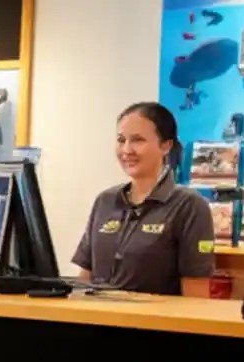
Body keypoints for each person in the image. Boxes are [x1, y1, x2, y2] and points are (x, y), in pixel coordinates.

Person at [72, 101, 215, 296]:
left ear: (166, 146)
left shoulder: (189, 205)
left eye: (137, 140)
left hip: (154, 324)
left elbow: (197, 297)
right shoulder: (105, 201)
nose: (127, 150)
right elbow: (84, 278)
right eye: (121, 140)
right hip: (99, 321)